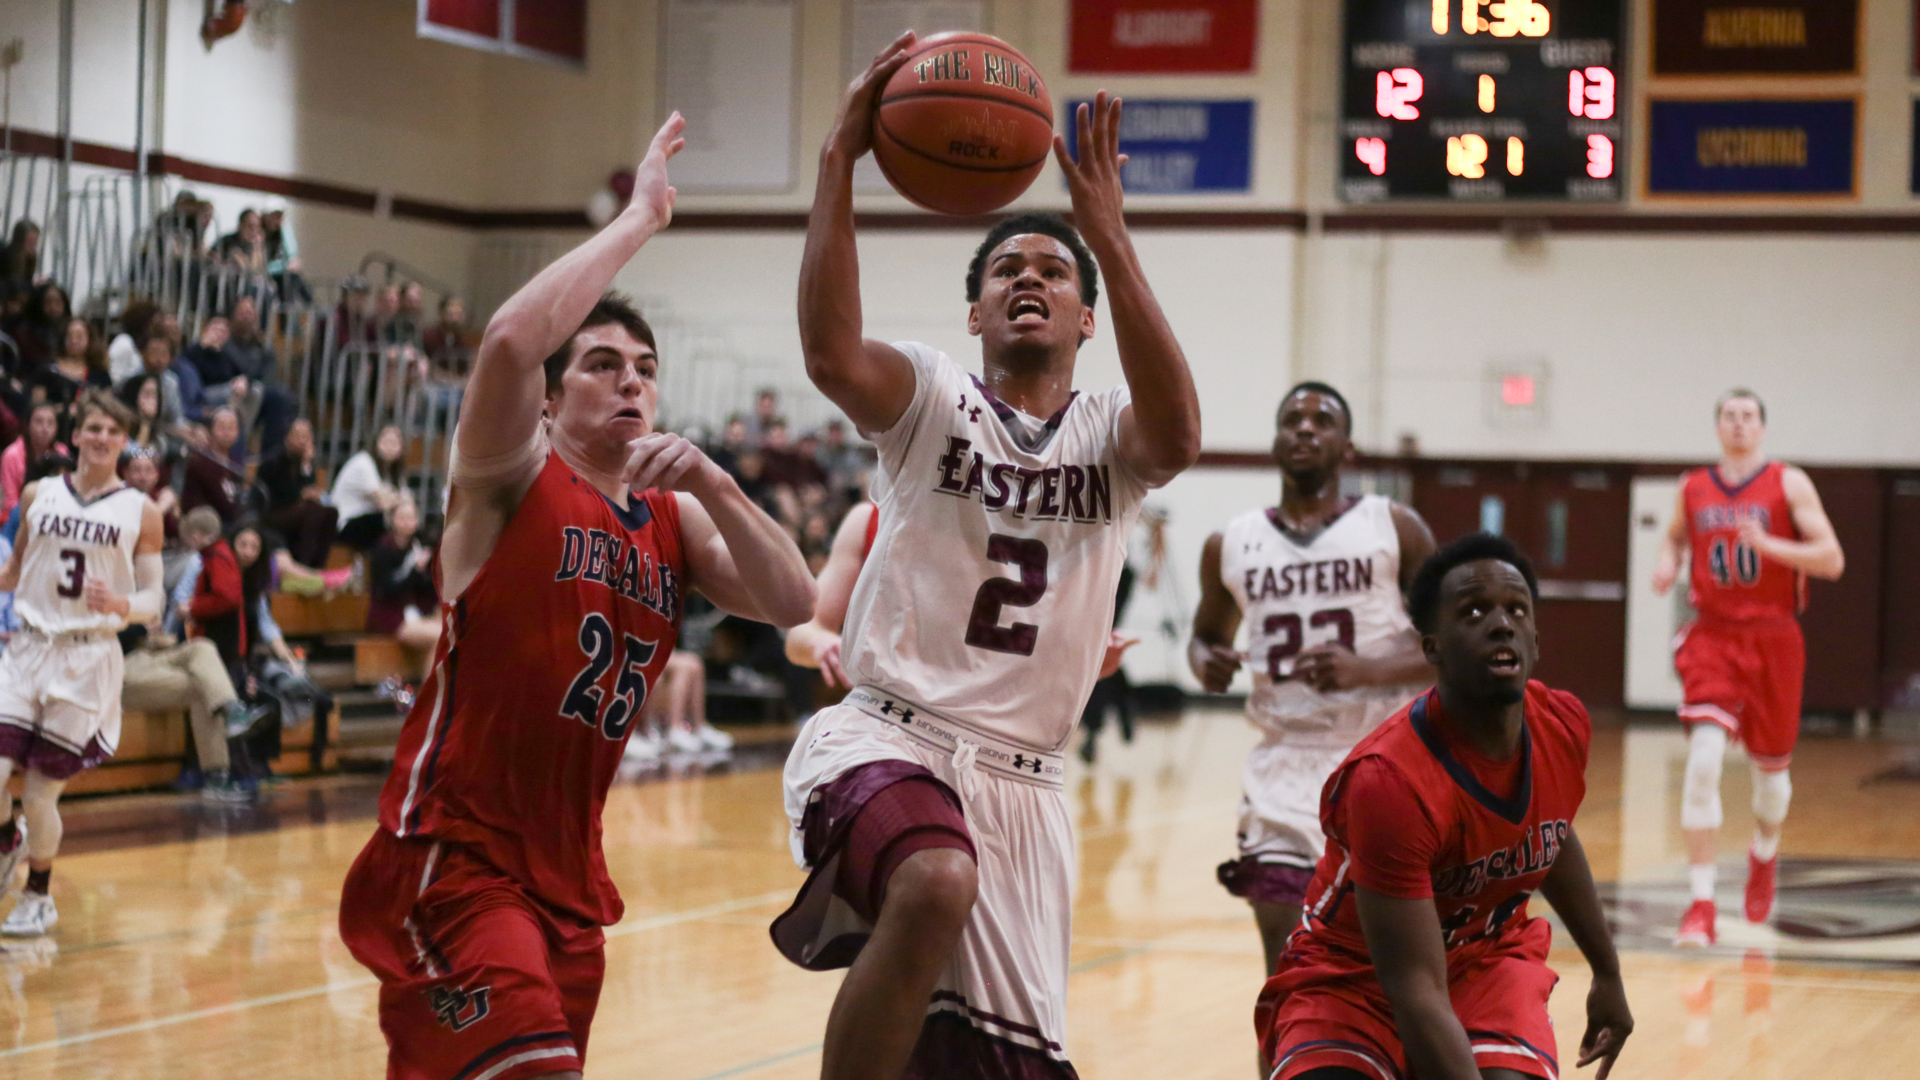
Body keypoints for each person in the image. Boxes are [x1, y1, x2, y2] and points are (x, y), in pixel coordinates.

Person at [337, 112, 816, 1080]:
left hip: (568, 881)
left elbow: (794, 597)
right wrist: (641, 218)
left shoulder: (670, 522)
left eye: (645, 370)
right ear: (553, 401)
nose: (630, 382)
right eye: (602, 364)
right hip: (455, 856)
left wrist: (718, 484)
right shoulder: (509, 480)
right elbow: (514, 338)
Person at [773, 39, 1201, 1079]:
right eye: (1007, 268)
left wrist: (1107, 230)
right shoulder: (931, 399)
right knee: (928, 881)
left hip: (1028, 790)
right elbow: (832, 355)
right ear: (974, 313)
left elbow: (1180, 435)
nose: (1029, 279)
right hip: (888, 737)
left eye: (1054, 271)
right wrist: (839, 161)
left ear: (1087, 319)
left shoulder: (1111, 433)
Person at [1255, 533, 1633, 1080]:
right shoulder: (1390, 781)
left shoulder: (1563, 723)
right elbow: (1414, 990)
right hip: (1353, 977)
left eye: (1516, 609)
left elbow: (1550, 835)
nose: (1500, 623)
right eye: (1474, 611)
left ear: (1534, 638)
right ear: (1431, 647)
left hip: (1486, 959)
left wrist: (1607, 971)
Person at [1188, 382, 1436, 979]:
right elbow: (1204, 639)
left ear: (1346, 448)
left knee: (1389, 968)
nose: (1304, 428)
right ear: (1275, 442)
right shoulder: (1232, 542)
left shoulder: (1393, 527)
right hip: (1283, 765)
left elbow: (1450, 643)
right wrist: (1208, 663)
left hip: (1381, 761)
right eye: (1292, 419)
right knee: (1287, 965)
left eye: (1321, 420)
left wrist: (1368, 670)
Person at [1650, 389, 1844, 946]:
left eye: (1748, 416)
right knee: (1704, 761)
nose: (1739, 424)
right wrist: (1666, 567)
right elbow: (1673, 541)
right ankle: (1702, 904)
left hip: (1774, 637)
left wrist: (1771, 544)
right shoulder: (1692, 487)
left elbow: (1831, 560)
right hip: (1713, 634)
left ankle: (1764, 853)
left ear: (1762, 428)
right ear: (1717, 426)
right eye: (1729, 416)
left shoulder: (1790, 482)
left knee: (1772, 784)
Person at [0, 389, 166, 935]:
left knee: (40, 792)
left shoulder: (141, 511)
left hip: (86, 657)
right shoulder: (37, 493)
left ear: (124, 442)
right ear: (77, 433)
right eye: (93, 427)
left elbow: (154, 599)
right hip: (26, 648)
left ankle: (38, 895)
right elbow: (17, 568)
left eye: (112, 432)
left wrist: (123, 605)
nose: (101, 438)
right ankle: (8, 840)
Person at [257, 418, 339, 569]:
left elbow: (308, 488)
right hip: (273, 512)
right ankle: (303, 566)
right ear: (287, 438)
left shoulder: (306, 463)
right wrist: (302, 494)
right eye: (298, 436)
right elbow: (279, 494)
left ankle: (318, 566)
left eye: (306, 436)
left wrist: (307, 469)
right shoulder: (274, 460)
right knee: (312, 511)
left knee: (330, 512)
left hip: (298, 512)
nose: (302, 441)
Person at [365, 499, 439, 658]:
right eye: (402, 517)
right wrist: (415, 571)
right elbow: (386, 589)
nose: (407, 522)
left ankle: (433, 683)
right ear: (393, 520)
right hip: (389, 615)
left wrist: (427, 571)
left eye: (411, 517)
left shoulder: (419, 547)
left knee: (448, 638)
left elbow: (429, 591)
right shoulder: (382, 549)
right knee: (441, 637)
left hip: (414, 613)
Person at [332, 424, 406, 549]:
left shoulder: (391, 472)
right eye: (386, 441)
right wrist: (401, 499)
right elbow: (385, 503)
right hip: (345, 523)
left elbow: (405, 501)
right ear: (376, 443)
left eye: (395, 442)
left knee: (404, 523)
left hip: (365, 522)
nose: (390, 447)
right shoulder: (364, 463)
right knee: (382, 522)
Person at [179, 406, 248, 523]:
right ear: (210, 430)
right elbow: (222, 503)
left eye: (231, 427)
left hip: (226, 519)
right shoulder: (201, 460)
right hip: (202, 521)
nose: (226, 432)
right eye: (221, 427)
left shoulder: (235, 462)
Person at [1, 403, 66, 522]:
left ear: (57, 428)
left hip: (54, 519)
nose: (45, 428)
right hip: (18, 519)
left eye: (50, 423)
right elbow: (10, 502)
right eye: (39, 422)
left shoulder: (62, 453)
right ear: (28, 425)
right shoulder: (12, 455)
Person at [33, 317, 112, 407]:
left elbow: (106, 407)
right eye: (69, 336)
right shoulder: (49, 369)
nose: (73, 341)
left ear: (89, 339)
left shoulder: (100, 373)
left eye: (79, 336)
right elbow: (37, 405)